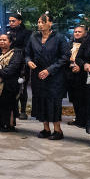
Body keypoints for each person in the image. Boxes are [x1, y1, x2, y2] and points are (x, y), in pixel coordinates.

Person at [26, 12, 69, 140]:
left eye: (43, 22)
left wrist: (50, 70)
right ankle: (46, 128)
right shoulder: (34, 37)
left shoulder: (60, 38)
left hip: (54, 76)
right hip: (38, 75)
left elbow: (65, 57)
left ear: (50, 23)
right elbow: (27, 53)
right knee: (40, 100)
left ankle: (57, 130)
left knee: (54, 102)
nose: (40, 24)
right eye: (39, 22)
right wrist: (29, 61)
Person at [0, 33, 24, 132]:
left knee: (8, 104)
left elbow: (14, 66)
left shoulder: (16, 53)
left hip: (9, 83)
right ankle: (0, 123)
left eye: (4, 40)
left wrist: (1, 72)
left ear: (10, 42)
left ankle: (9, 125)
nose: (1, 42)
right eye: (0, 40)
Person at [5, 13, 30, 119]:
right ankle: (13, 110)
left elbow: (27, 47)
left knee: (22, 86)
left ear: (20, 21)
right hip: (9, 60)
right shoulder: (8, 31)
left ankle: (23, 110)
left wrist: (15, 51)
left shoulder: (26, 32)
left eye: (13, 21)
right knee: (10, 86)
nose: (11, 23)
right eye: (10, 21)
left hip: (22, 61)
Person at [66, 25, 89, 127]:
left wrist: (80, 66)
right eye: (75, 31)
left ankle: (84, 119)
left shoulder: (88, 44)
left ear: (85, 33)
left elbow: (89, 58)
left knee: (83, 97)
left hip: (83, 74)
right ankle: (78, 118)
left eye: (80, 31)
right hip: (71, 73)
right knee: (74, 98)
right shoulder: (70, 44)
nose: (77, 33)